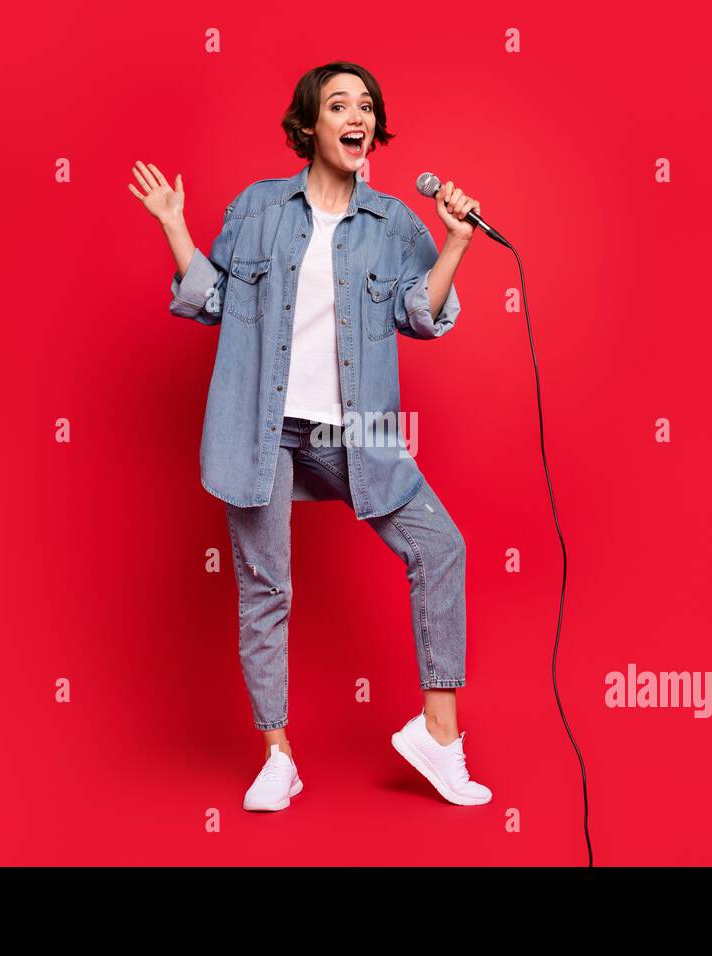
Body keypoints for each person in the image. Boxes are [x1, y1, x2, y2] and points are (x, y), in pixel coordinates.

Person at [129, 61, 491, 811]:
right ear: (310, 126)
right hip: (262, 432)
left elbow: (421, 317)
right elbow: (215, 300)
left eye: (367, 105)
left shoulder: (395, 223)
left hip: (358, 432)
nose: (356, 115)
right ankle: (277, 755)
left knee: (441, 546)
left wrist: (455, 243)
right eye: (339, 104)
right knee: (267, 591)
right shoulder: (259, 209)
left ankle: (440, 737)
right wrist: (174, 228)